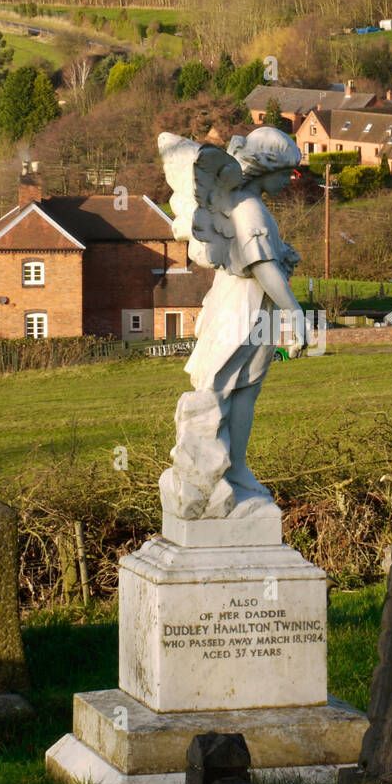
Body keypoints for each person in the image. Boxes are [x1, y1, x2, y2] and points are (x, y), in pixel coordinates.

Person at [157, 127, 305, 517]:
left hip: (240, 301)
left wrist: (282, 252)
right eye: (287, 171)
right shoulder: (250, 208)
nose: (290, 180)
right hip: (247, 307)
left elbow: (261, 256)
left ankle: (225, 469)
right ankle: (226, 471)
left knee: (239, 387)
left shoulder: (240, 202)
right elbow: (263, 268)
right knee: (230, 387)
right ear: (265, 168)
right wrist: (296, 313)